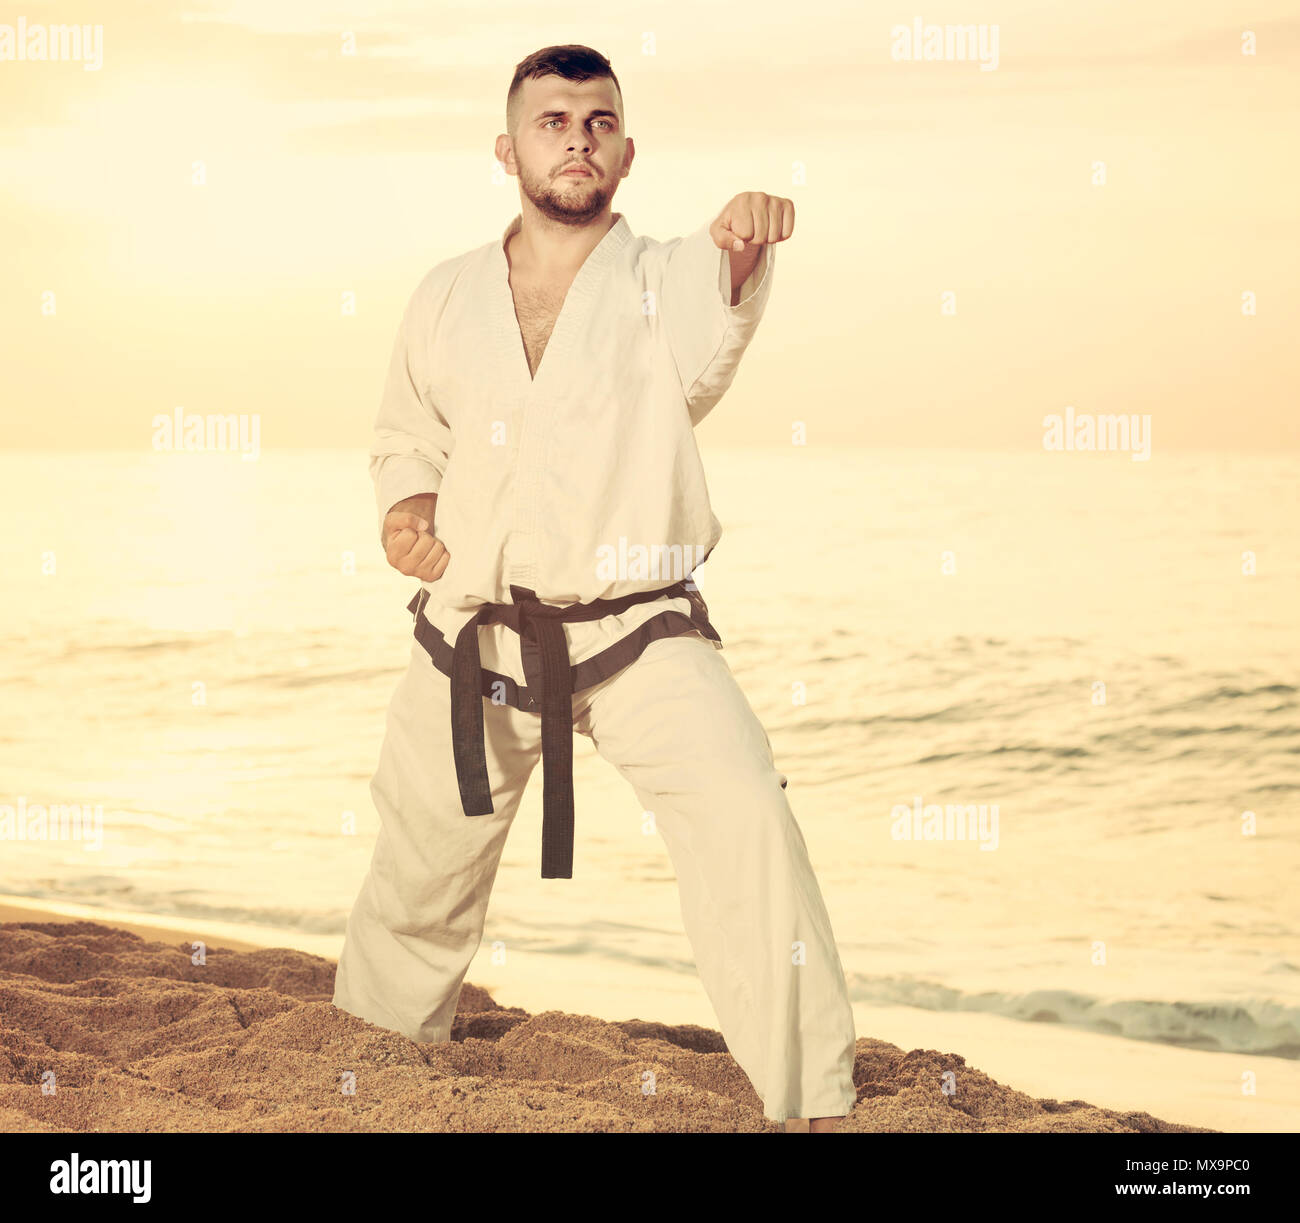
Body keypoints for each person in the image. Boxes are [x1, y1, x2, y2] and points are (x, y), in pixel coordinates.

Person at [332, 43, 857, 1132]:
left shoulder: (665, 275)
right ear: (506, 146)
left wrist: (743, 247)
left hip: (638, 631)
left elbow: (714, 338)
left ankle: (812, 1103)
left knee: (747, 818)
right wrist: (407, 510)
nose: (577, 138)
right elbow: (403, 435)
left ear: (624, 150)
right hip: (473, 631)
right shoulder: (445, 294)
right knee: (418, 867)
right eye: (553, 120)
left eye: (597, 121)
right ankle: (374, 1071)